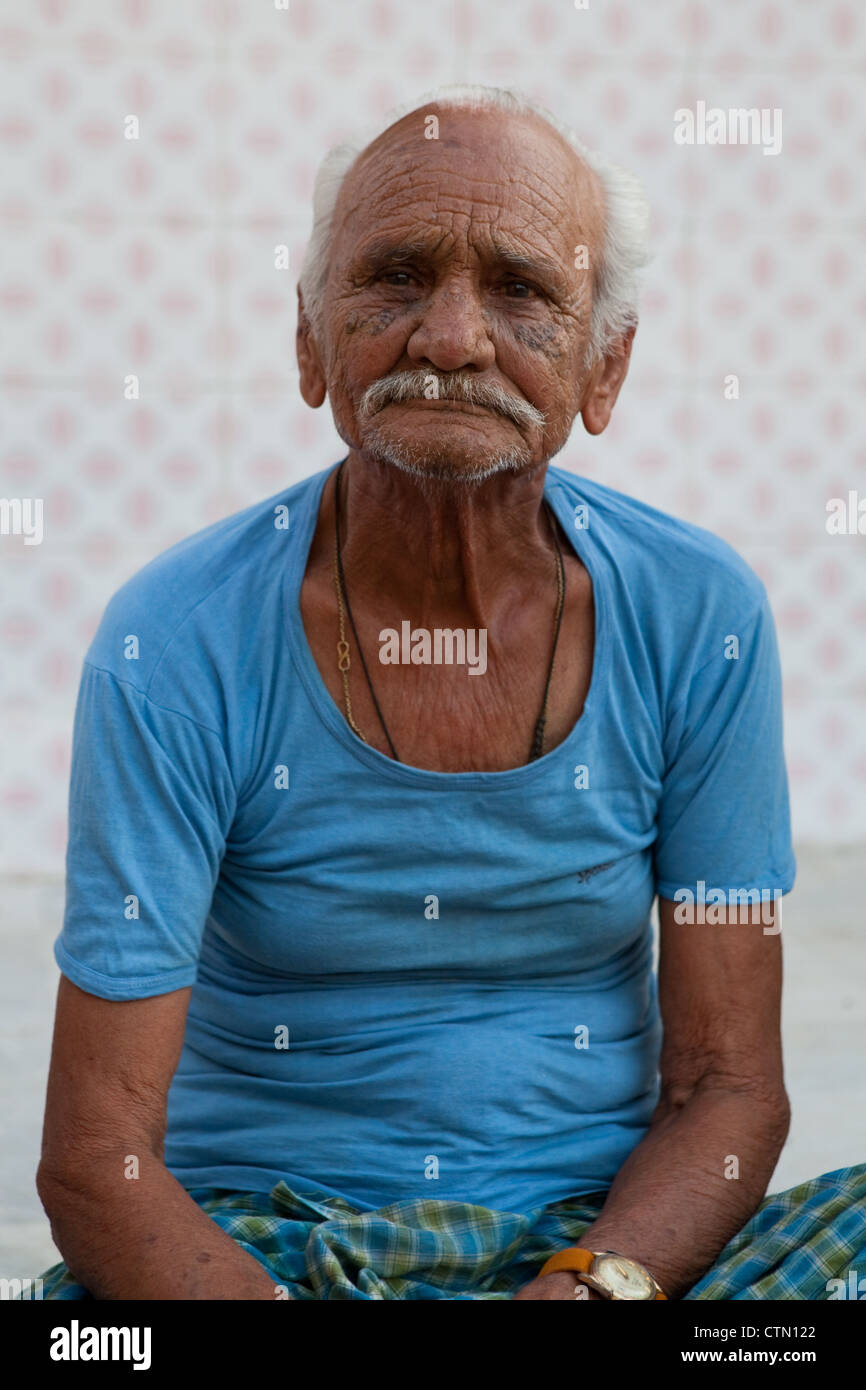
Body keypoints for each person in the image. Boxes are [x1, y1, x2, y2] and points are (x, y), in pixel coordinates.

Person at [33, 85, 864, 1301]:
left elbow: (724, 1090)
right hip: (266, 1244)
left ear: (603, 364)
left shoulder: (699, 618)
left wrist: (594, 1286)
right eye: (397, 277)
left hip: (598, 1238)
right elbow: (94, 1163)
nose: (451, 337)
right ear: (309, 342)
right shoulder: (175, 642)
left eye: (521, 291)